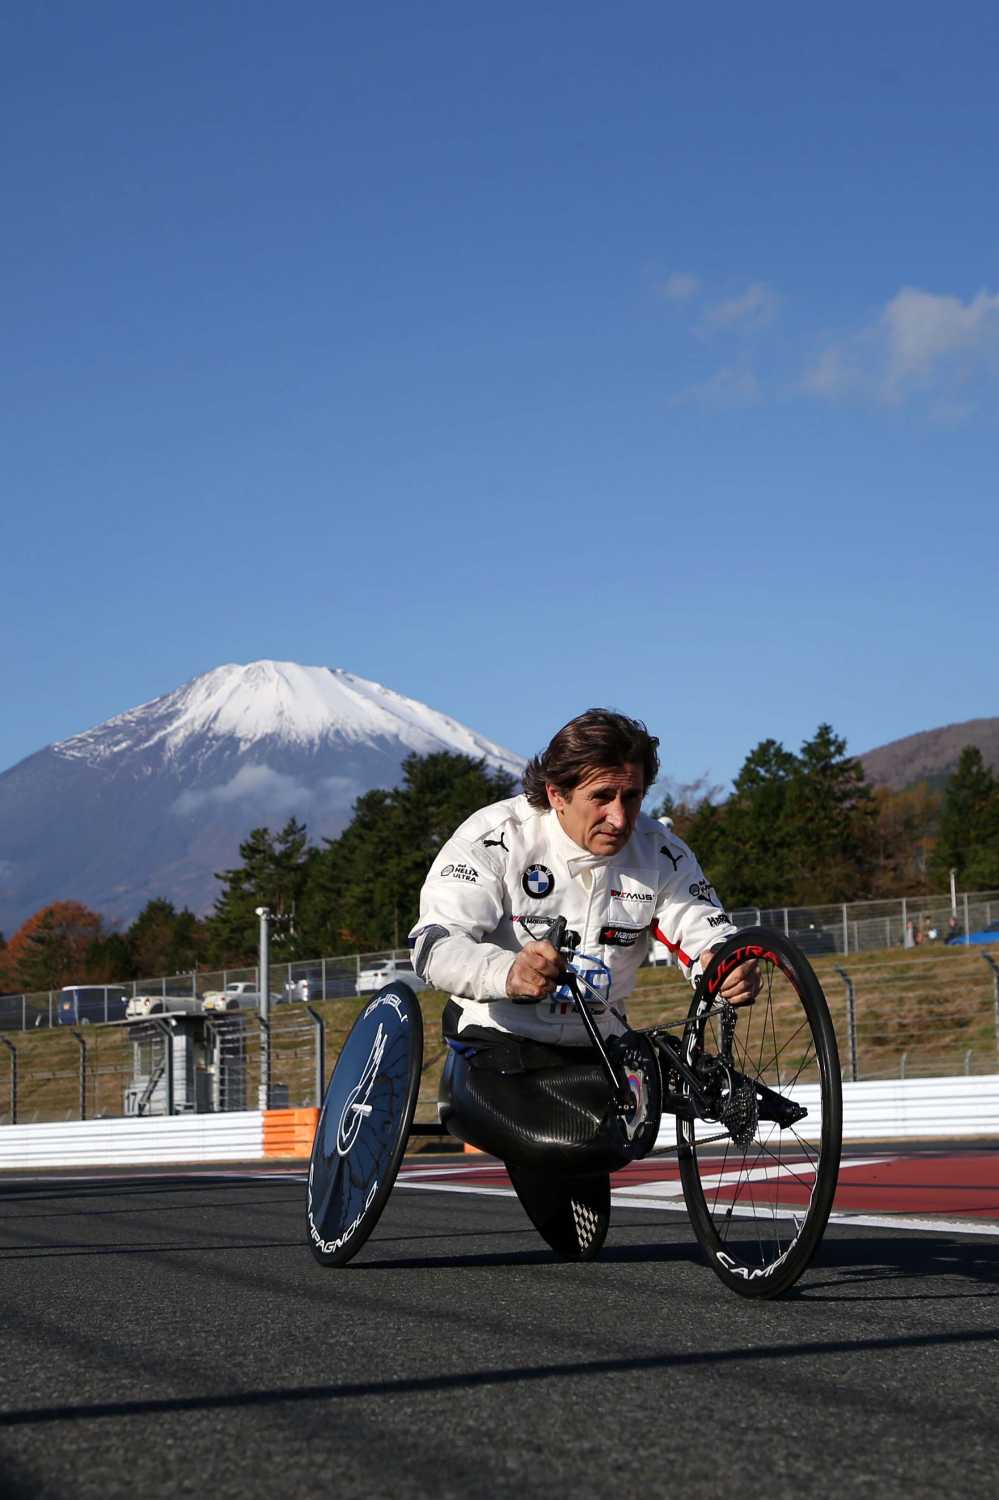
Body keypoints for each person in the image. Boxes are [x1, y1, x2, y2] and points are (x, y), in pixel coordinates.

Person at [409, 708, 758, 1259]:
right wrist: (507, 972)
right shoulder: (492, 838)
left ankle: (578, 1147)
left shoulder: (661, 851)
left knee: (590, 1210)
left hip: (597, 1049)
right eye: (602, 797)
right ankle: (542, 1148)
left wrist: (725, 964)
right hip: (497, 1042)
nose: (620, 818)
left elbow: (700, 930)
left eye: (633, 797)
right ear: (556, 794)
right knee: (567, 1207)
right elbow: (433, 946)